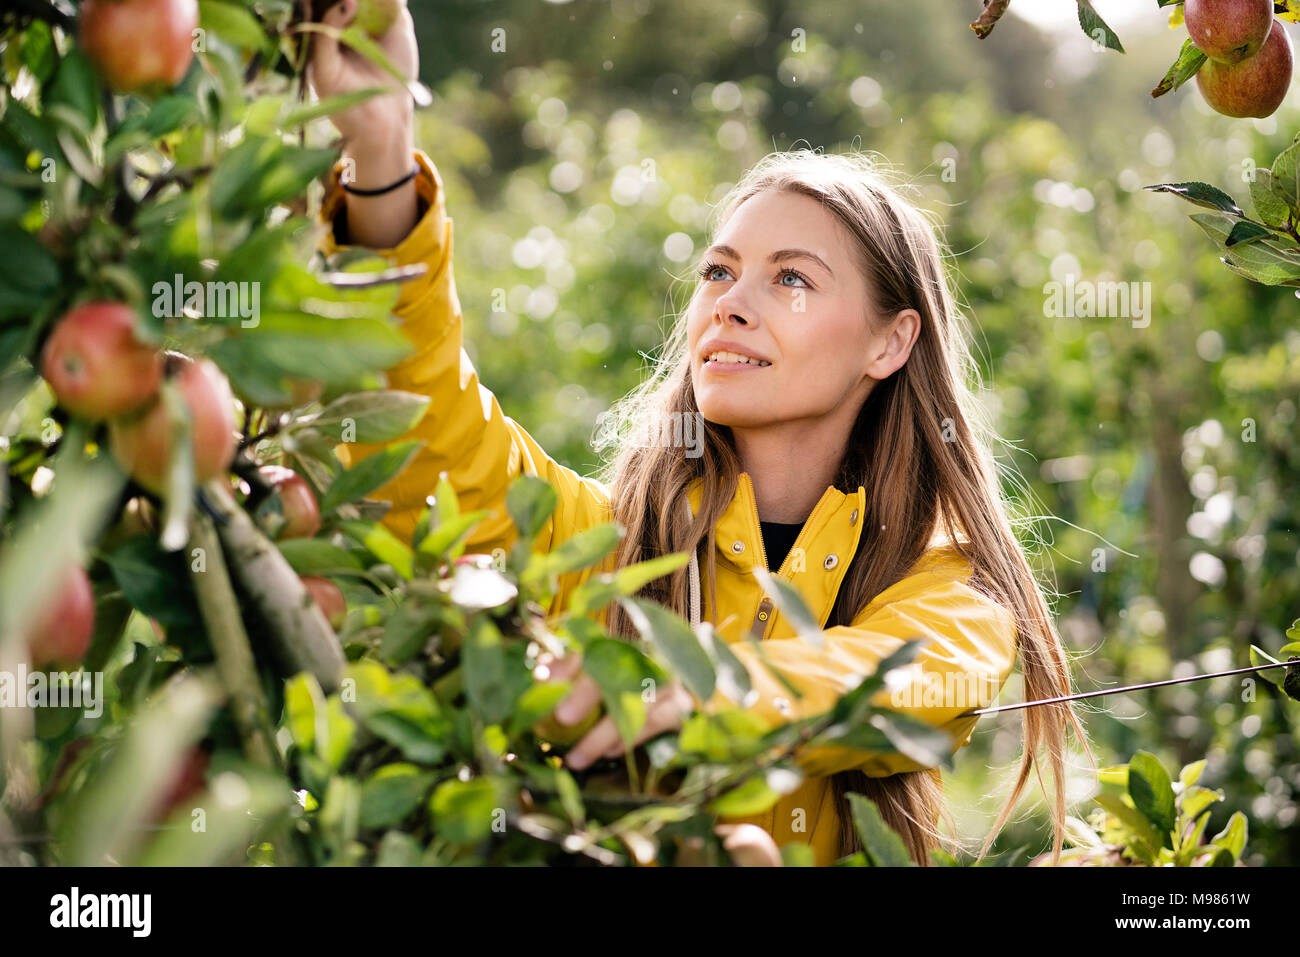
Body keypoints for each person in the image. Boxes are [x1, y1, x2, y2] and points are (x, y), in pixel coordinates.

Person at [309, 0, 1091, 866]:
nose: (730, 301)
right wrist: (379, 154)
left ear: (889, 340)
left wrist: (696, 685)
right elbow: (425, 439)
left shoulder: (940, 587)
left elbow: (904, 679)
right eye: (720, 269)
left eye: (790, 277)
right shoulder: (607, 552)